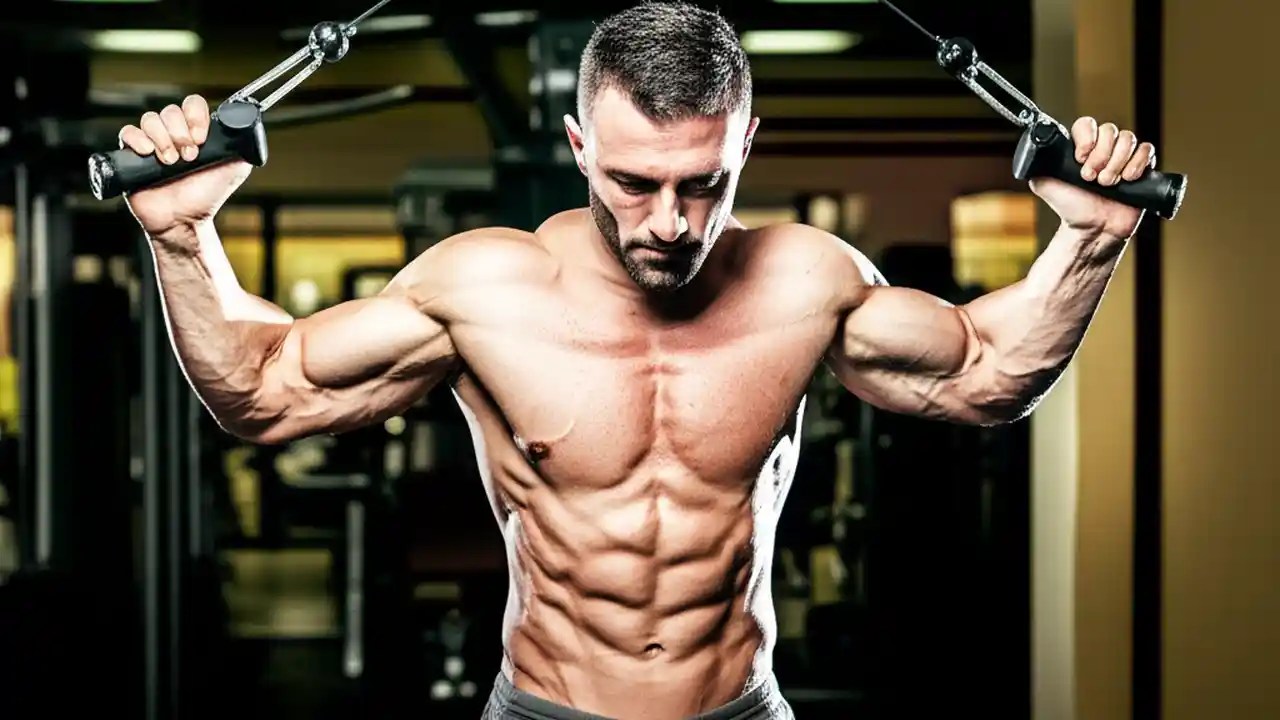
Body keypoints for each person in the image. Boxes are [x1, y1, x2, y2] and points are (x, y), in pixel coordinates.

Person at [115, 2, 1156, 718]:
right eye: (631, 182)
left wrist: (1091, 238)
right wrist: (180, 237)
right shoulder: (486, 289)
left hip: (740, 706)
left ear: (746, 145)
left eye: (702, 184)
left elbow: (984, 375)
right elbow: (265, 393)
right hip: (547, 706)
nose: (668, 221)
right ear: (579, 147)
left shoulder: (804, 281)